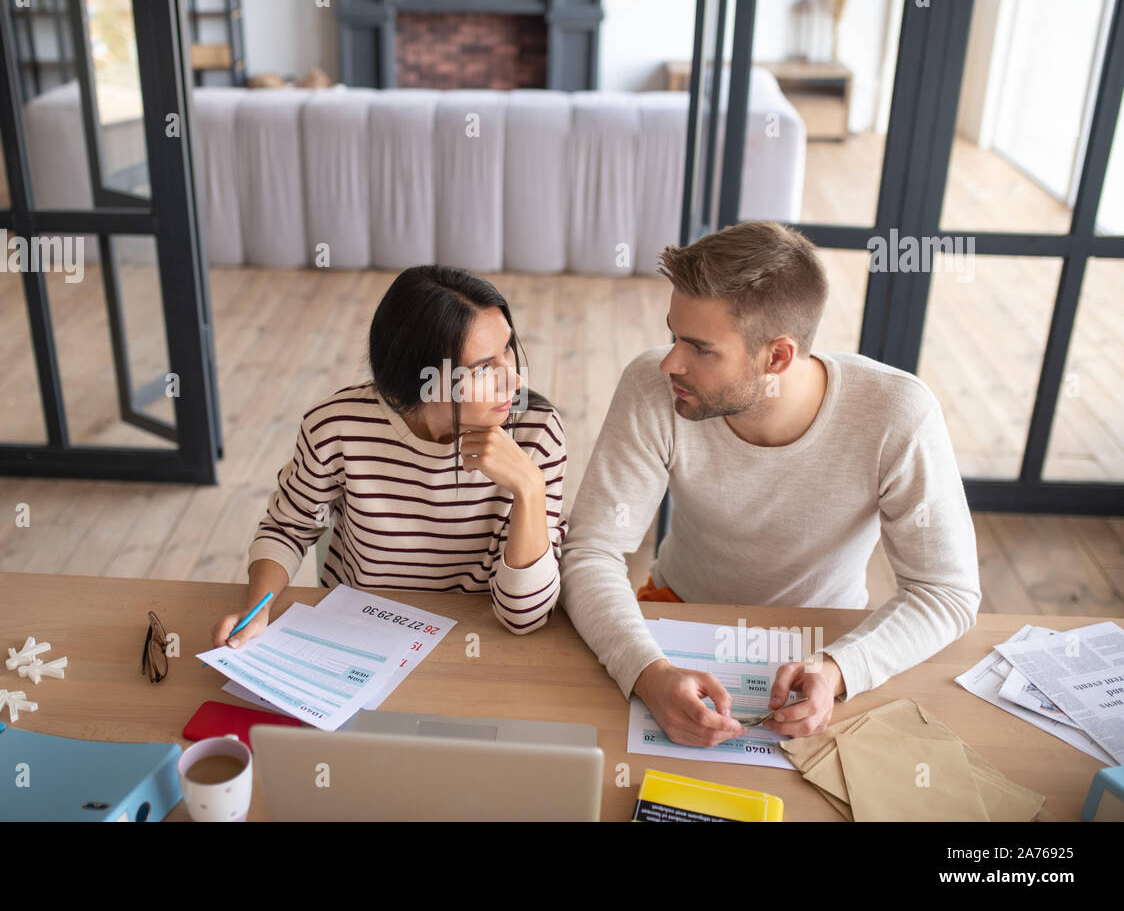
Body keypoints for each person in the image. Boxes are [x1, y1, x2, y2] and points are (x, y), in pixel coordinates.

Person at [560, 220, 981, 747]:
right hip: (674, 613)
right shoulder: (654, 388)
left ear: (777, 356)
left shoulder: (898, 413)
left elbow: (947, 591)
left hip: (829, 640)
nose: (670, 361)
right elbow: (591, 550)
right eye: (673, 335)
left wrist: (837, 669)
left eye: (699, 347)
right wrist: (648, 672)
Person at [213, 264, 567, 648]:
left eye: (508, 350)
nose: (514, 381)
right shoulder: (337, 425)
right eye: (483, 368)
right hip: (356, 643)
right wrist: (257, 610)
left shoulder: (536, 433)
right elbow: (287, 529)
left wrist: (530, 487)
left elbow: (524, 617)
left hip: (474, 647)